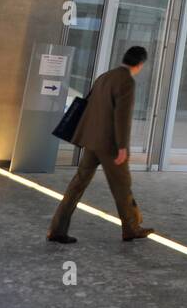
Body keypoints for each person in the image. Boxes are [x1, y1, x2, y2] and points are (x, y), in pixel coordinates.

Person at [47, 47, 155, 244]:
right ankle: (131, 228)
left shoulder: (104, 77)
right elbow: (122, 117)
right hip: (110, 145)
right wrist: (122, 147)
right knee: (122, 186)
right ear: (139, 64)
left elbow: (90, 106)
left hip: (91, 141)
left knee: (77, 184)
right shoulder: (126, 81)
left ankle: (57, 229)